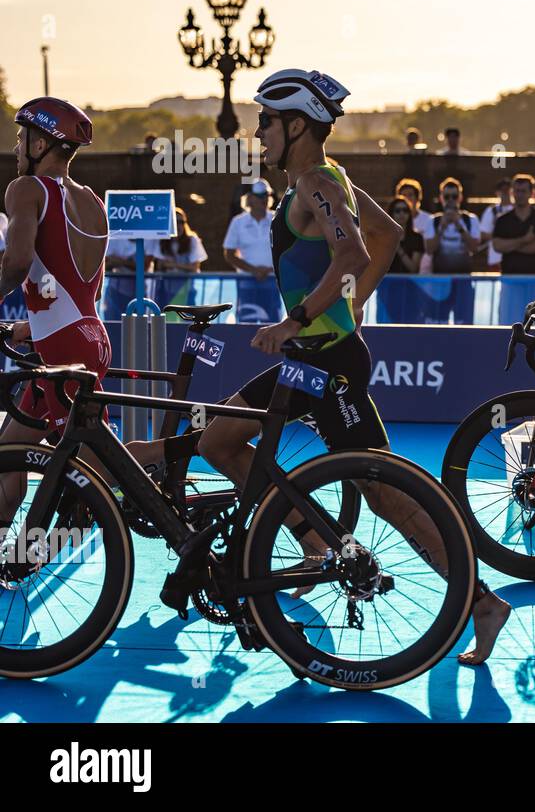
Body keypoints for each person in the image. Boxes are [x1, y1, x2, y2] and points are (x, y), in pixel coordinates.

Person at [145, 68, 509, 664]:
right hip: (313, 358)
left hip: (327, 362)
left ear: (295, 125)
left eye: (266, 120)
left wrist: (301, 318)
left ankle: (481, 603)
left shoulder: (316, 181)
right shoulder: (317, 182)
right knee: (218, 442)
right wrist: (350, 302)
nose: (258, 131)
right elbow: (387, 237)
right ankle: (315, 544)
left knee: (386, 496)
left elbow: (355, 249)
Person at [0, 97, 110, 508]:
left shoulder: (26, 189)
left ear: (41, 144)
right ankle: (10, 559)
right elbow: (81, 290)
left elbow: (17, 263)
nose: (15, 148)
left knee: (102, 467)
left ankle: (182, 452)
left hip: (64, 348)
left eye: (20, 137)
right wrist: (33, 326)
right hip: (91, 338)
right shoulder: (92, 202)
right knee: (8, 453)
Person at [492, 174, 535, 274]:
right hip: (510, 277)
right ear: (512, 193)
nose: (519, 195)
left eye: (523, 191)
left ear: (532, 193)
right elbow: (498, 246)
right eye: (517, 191)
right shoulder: (502, 219)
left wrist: (511, 247)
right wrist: (524, 240)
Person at [222, 179, 275, 280]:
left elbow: (288, 250)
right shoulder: (237, 221)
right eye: (259, 196)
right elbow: (229, 254)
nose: (264, 199)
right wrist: (253, 270)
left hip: (273, 282)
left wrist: (271, 271)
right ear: (249, 198)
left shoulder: (277, 218)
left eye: (266, 194)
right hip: (246, 281)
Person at [425, 177, 480, 274]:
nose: (450, 200)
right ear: (441, 198)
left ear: (460, 197)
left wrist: (458, 224)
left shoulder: (471, 219)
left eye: (454, 196)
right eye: (447, 196)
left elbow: (474, 248)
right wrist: (441, 228)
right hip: (440, 278)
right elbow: (429, 250)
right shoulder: (433, 220)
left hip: (463, 277)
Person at [148, 206, 206, 273]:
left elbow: (194, 267)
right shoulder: (162, 240)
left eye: (181, 222)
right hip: (168, 282)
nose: (178, 226)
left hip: (187, 282)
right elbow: (159, 265)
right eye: (175, 222)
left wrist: (173, 265)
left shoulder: (192, 240)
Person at [478, 178, 512, 272]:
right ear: (497, 192)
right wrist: (499, 233)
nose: (505, 193)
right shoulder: (491, 211)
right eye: (502, 190)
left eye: (507, 190)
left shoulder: (519, 210)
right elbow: (483, 234)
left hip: (514, 258)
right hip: (496, 259)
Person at [387, 195, 425, 273]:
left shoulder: (417, 238)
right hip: (387, 282)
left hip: (409, 282)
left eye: (405, 210)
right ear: (391, 214)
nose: (402, 213)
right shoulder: (384, 237)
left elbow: (414, 269)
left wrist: (398, 248)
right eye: (397, 211)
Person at [394, 177, 435, 241]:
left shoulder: (429, 219)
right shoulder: (394, 220)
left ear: (417, 197)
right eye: (404, 195)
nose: (407, 198)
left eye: (410, 195)